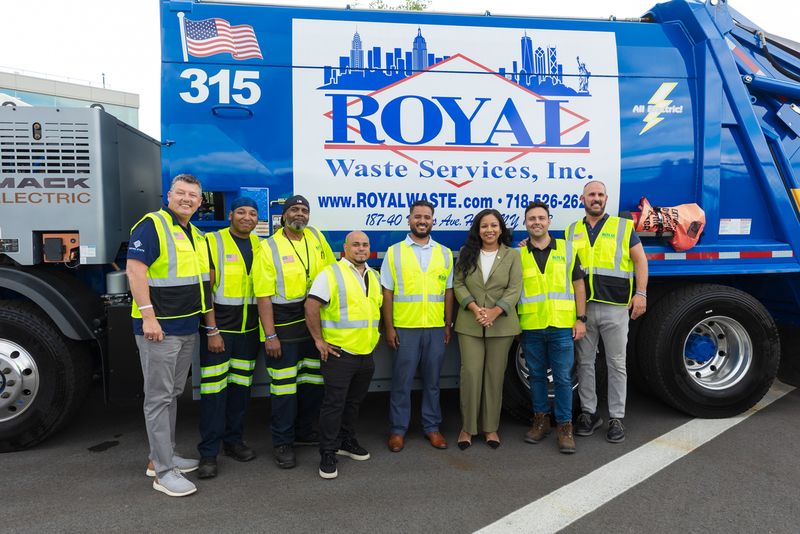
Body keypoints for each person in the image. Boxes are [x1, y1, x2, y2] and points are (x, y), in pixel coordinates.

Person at [127, 173, 211, 497]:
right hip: (159, 330)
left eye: (193, 195)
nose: (187, 199)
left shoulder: (196, 234)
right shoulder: (152, 225)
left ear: (200, 201)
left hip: (186, 326)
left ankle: (160, 456)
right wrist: (149, 316)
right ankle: (163, 472)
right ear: (169, 195)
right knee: (159, 398)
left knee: (172, 394)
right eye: (181, 193)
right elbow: (135, 271)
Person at [253, 195, 336, 469]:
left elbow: (331, 273)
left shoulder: (316, 237)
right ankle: (282, 442)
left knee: (313, 383)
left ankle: (305, 431)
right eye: (294, 210)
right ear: (284, 214)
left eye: (303, 210)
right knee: (284, 389)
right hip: (284, 326)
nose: (299, 214)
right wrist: (270, 336)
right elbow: (263, 296)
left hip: (314, 323)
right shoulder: (269, 247)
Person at [567, 181, 648, 443]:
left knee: (616, 364)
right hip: (584, 309)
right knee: (585, 364)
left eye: (601, 194)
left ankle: (616, 417)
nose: (596, 198)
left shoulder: (622, 227)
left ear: (606, 198)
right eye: (592, 195)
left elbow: (640, 260)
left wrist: (641, 293)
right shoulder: (572, 230)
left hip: (615, 307)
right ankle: (589, 413)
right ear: (583, 199)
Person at [305, 231, 382, 479]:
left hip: (366, 353)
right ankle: (327, 453)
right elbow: (311, 305)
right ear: (345, 249)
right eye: (356, 244)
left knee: (354, 403)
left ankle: (346, 441)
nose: (361, 248)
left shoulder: (373, 275)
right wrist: (318, 340)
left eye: (365, 245)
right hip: (340, 353)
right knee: (333, 405)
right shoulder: (331, 273)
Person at [196, 197, 262, 479]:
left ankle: (233, 442)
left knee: (240, 392)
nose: (247, 217)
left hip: (248, 332)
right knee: (213, 394)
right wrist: (211, 330)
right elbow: (205, 289)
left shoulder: (261, 245)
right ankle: (208, 453)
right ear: (231, 214)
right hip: (220, 332)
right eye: (242, 212)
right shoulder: (214, 242)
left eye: (253, 213)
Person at [381, 200, 454, 452]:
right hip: (405, 328)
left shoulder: (444, 253)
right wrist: (389, 328)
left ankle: (432, 427)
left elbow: (448, 291)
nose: (422, 220)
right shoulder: (395, 252)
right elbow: (387, 293)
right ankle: (398, 430)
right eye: (417, 216)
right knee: (402, 381)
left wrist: (447, 323)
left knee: (433, 382)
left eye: (427, 217)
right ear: (409, 219)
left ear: (433, 220)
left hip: (435, 328)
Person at [518, 202, 586, 454]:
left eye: (541, 218)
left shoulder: (567, 249)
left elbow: (579, 284)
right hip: (532, 325)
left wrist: (581, 318)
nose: (537, 222)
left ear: (549, 221)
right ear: (525, 223)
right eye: (531, 218)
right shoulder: (518, 255)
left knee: (562, 378)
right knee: (535, 377)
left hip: (561, 325)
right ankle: (540, 421)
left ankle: (564, 427)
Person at [453, 209, 522, 450]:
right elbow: (458, 284)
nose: (489, 230)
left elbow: (515, 289)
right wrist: (474, 308)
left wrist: (494, 311)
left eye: (494, 225)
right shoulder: (466, 253)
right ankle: (467, 428)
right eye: (484, 226)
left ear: (501, 229)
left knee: (494, 376)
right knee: (470, 374)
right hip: (470, 323)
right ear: (478, 230)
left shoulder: (512, 255)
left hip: (501, 323)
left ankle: (491, 428)